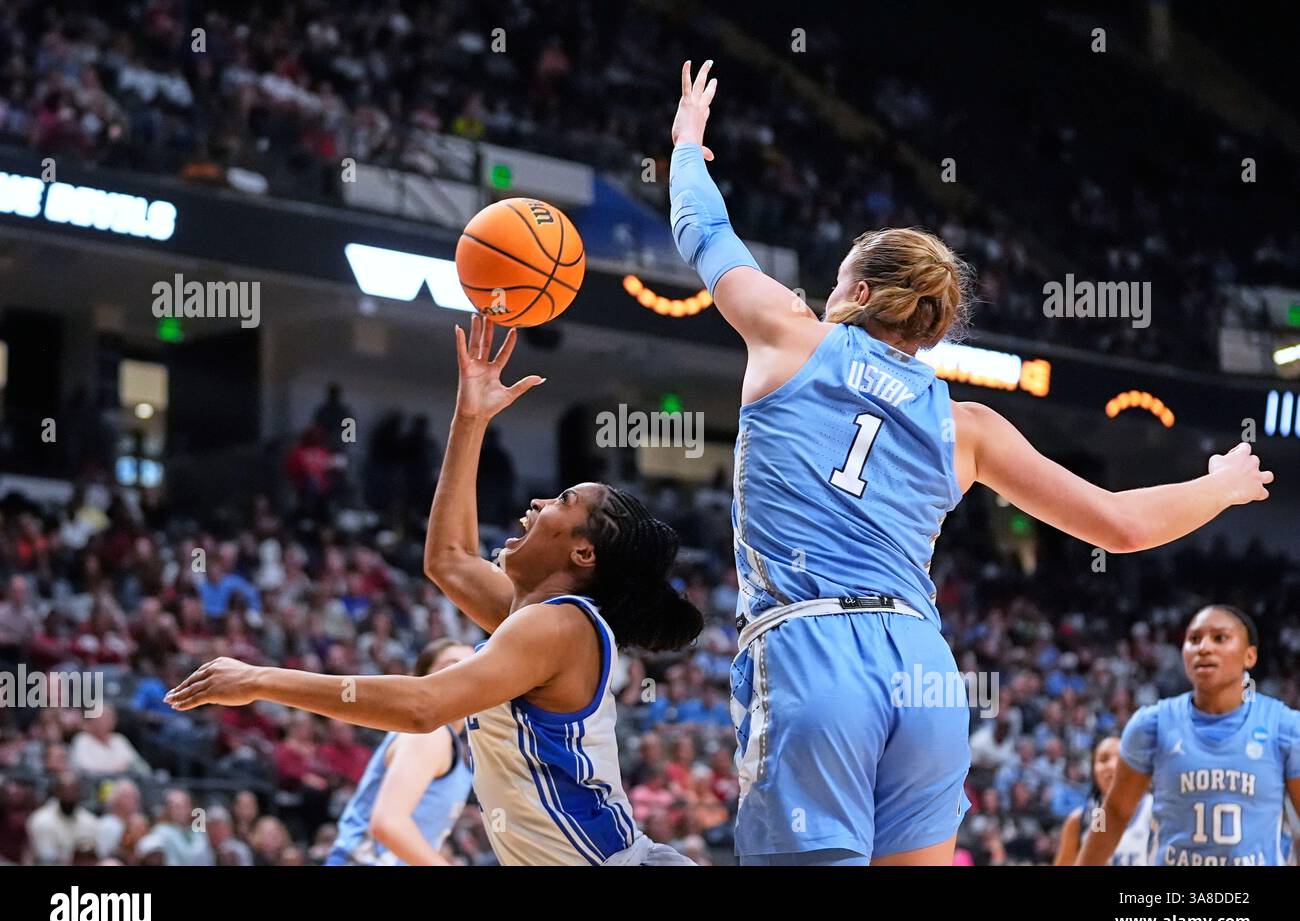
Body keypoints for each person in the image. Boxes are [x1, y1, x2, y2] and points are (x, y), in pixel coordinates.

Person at [668, 60, 1274, 865]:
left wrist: (684, 144)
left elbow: (703, 232)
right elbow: (1122, 526)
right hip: (923, 669)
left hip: (813, 652)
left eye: (838, 279)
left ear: (853, 294)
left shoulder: (787, 330)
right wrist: (1220, 485)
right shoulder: (971, 428)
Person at [167, 316, 701, 865]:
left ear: (583, 553)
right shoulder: (533, 617)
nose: (539, 503)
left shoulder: (559, 627)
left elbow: (424, 706)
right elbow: (448, 560)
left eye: (562, 502)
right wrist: (469, 418)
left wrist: (259, 678)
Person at [1077, 606, 1300, 865]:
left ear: (1249, 656)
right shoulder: (1151, 724)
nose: (1204, 648)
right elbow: (1114, 813)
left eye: (1220, 638)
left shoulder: (1285, 726)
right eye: (1194, 639)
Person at [327, 640, 474, 865]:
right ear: (421, 680)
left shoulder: (450, 743)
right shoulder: (430, 735)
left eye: (472, 666)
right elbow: (388, 823)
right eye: (451, 665)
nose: (463, 674)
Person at [1053, 736, 1151, 865]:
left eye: (1120, 759)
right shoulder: (1081, 820)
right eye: (1103, 759)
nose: (1111, 765)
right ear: (1093, 770)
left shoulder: (1155, 809)